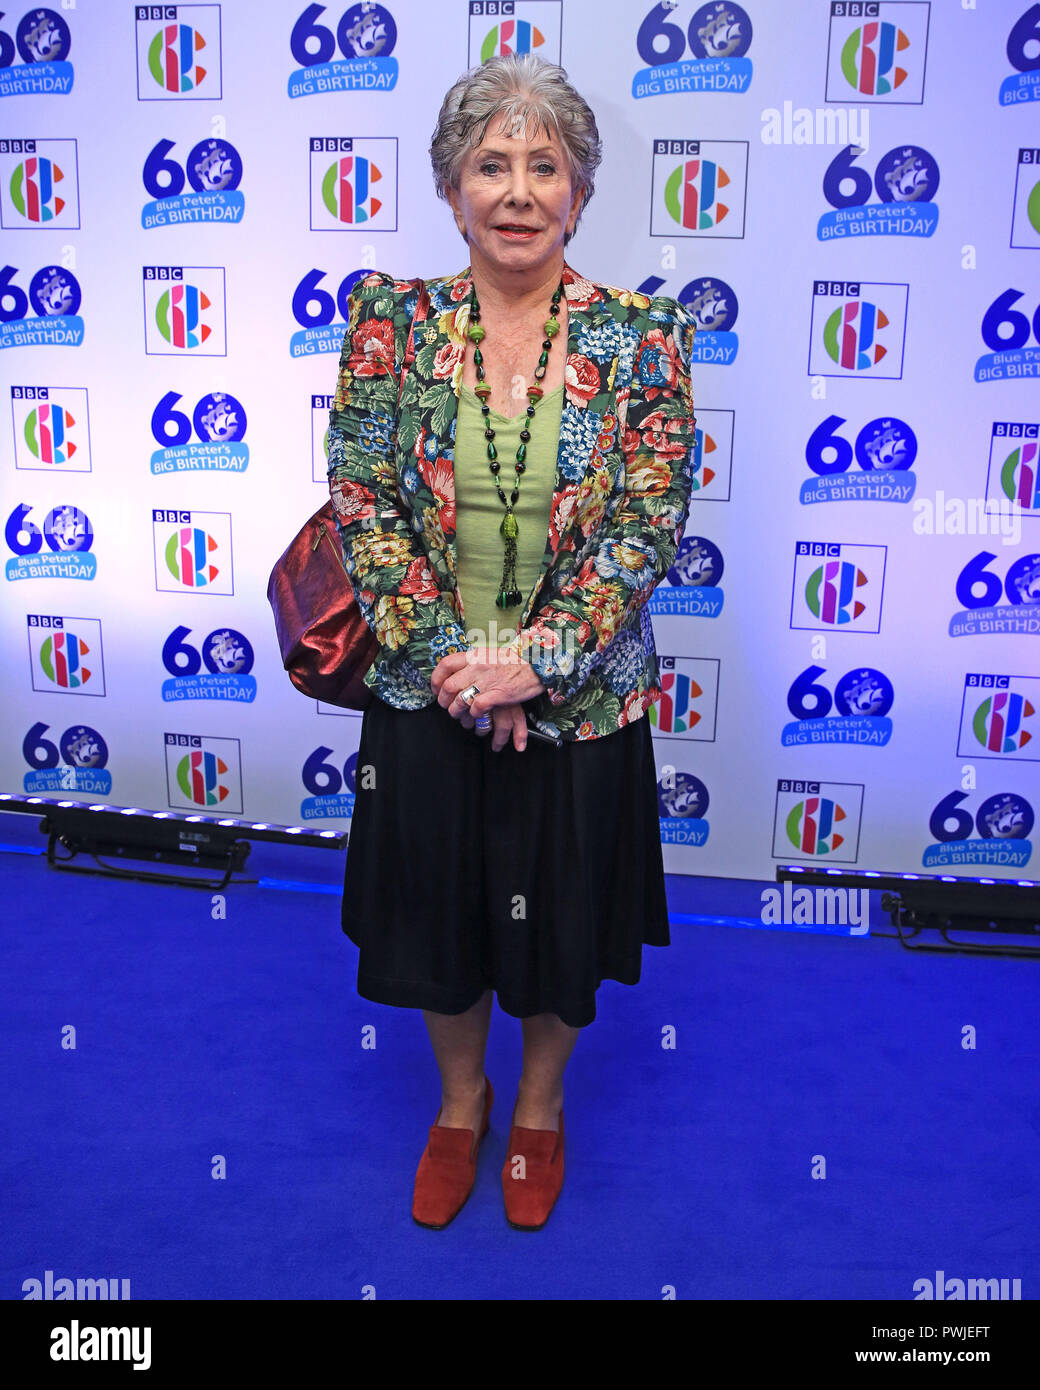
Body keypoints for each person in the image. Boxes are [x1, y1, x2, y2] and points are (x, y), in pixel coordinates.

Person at [326, 53, 696, 1232]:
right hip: (425, 686)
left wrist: (533, 660)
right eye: (493, 164)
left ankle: (535, 1108)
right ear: (451, 189)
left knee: (557, 921)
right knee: (438, 914)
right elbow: (361, 499)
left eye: (545, 166)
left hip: (577, 701)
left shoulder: (644, 334)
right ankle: (459, 1100)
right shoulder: (388, 321)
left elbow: (649, 514)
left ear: (579, 192)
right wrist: (455, 658)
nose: (519, 190)